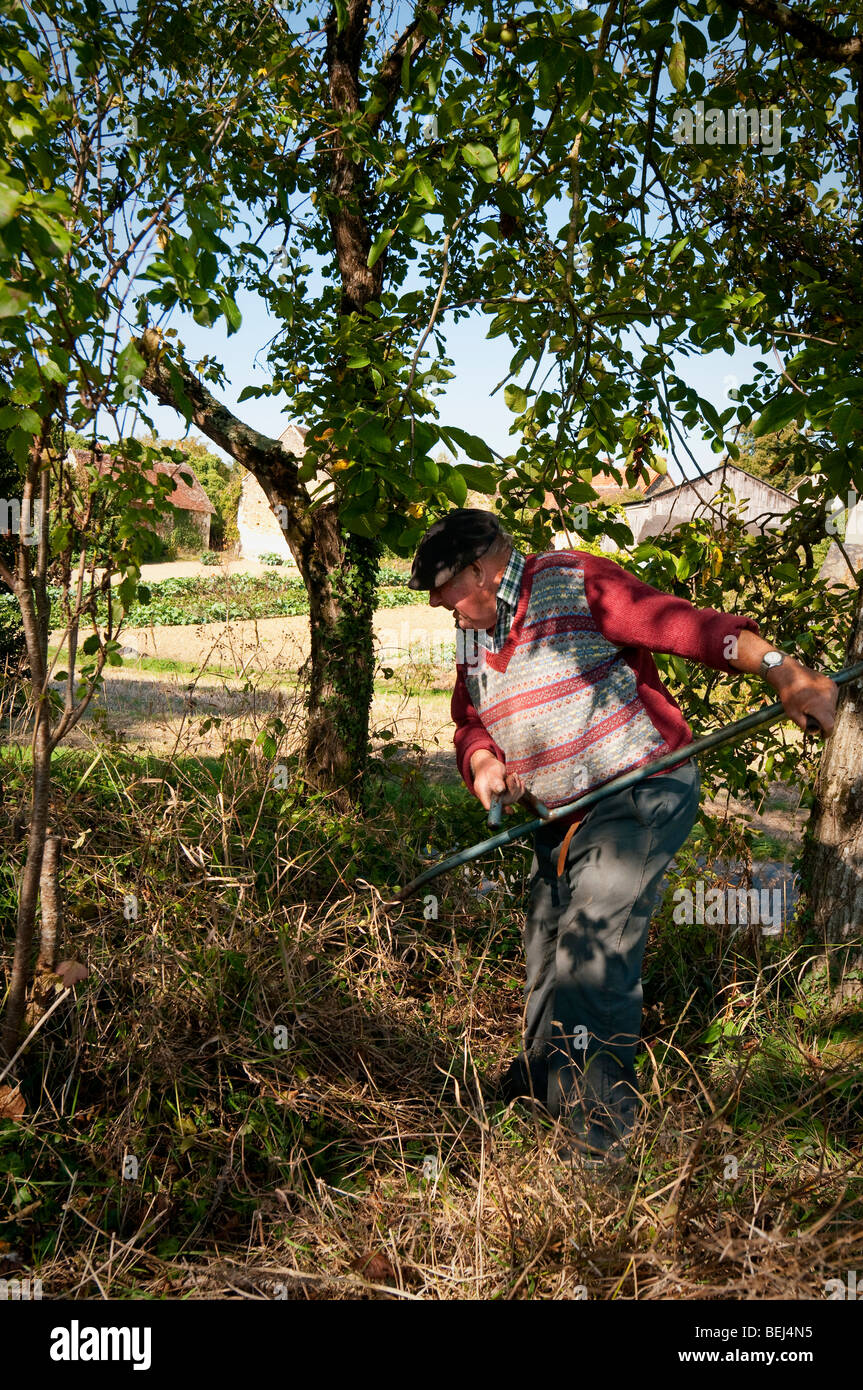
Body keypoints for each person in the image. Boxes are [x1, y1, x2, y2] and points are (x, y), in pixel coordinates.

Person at [408, 509, 838, 1162]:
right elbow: (469, 721)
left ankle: (598, 1150)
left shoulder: (571, 582)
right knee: (545, 959)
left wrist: (781, 669)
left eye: (449, 598)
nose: (449, 614)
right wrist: (483, 763)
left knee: (591, 959)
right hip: (560, 816)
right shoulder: (474, 636)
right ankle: (540, 1095)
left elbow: (686, 626)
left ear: (482, 572)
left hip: (638, 791)